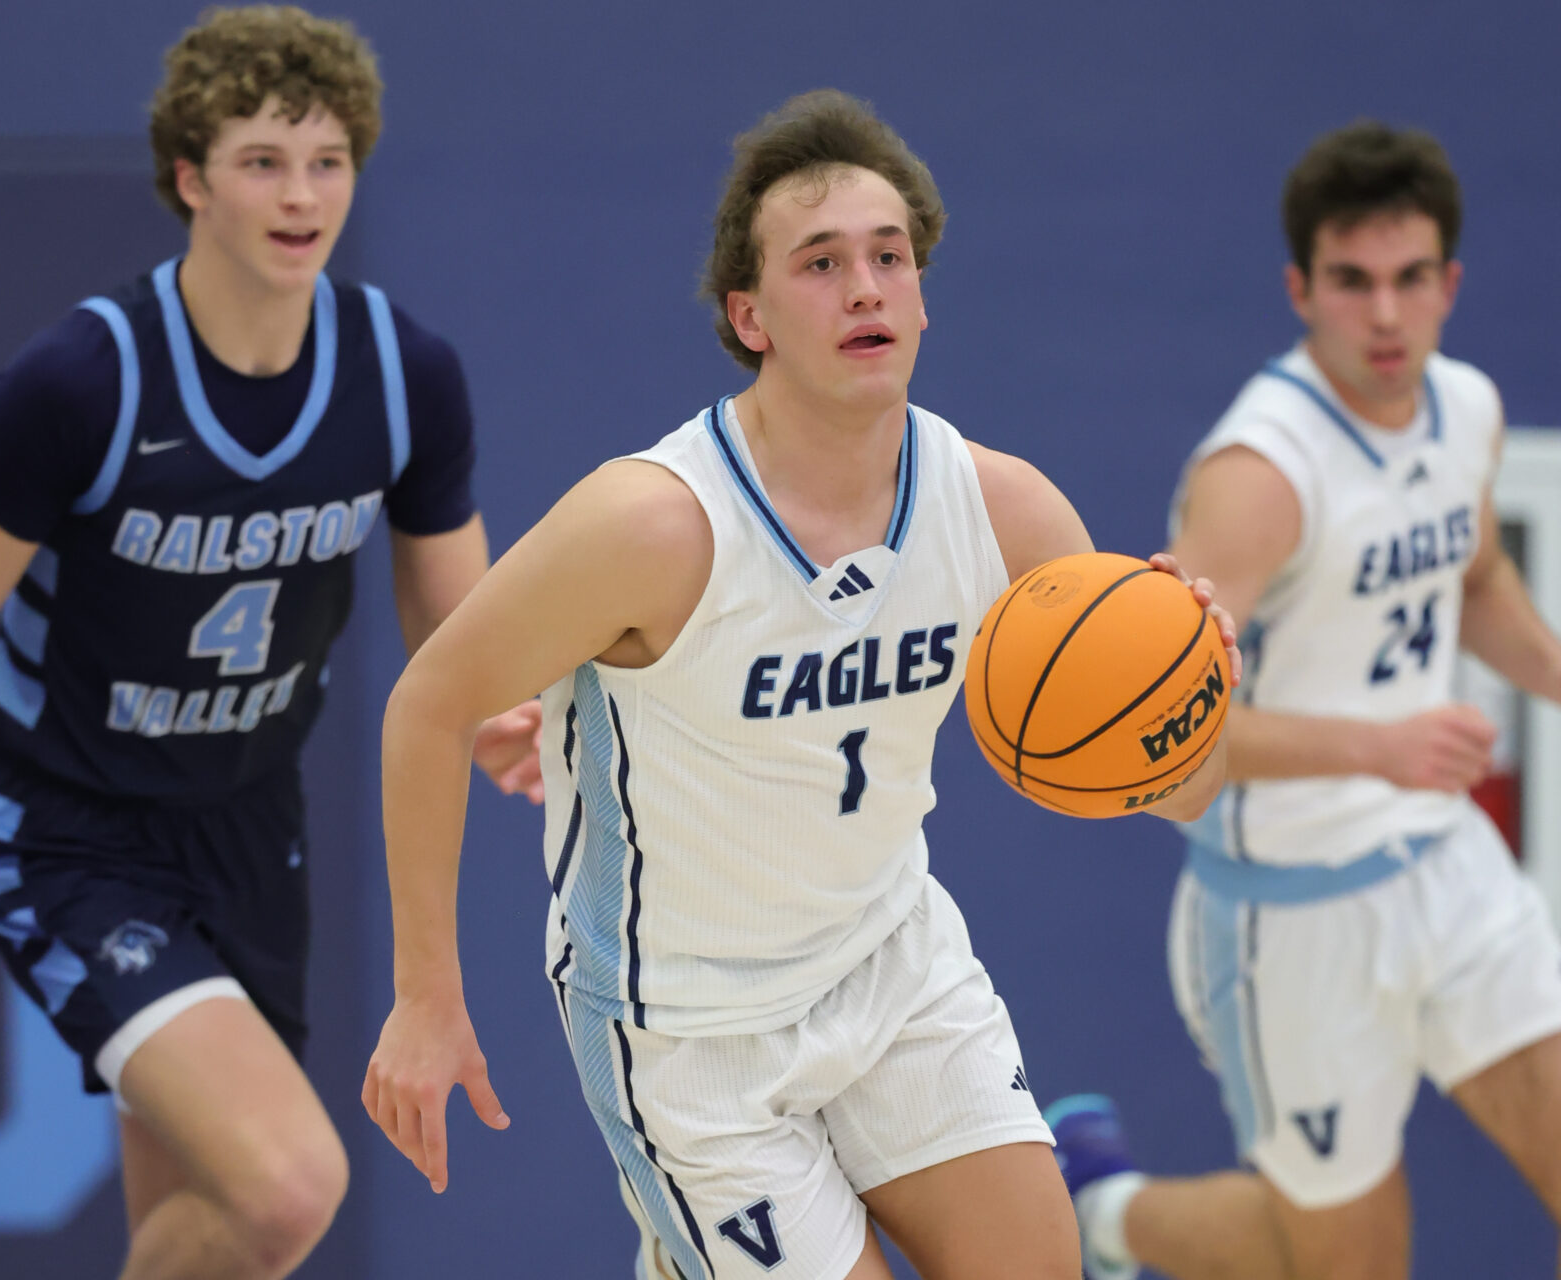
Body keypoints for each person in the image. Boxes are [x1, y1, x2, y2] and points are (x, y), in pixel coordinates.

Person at [362, 88, 1235, 1280]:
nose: (866, 287)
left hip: (894, 964)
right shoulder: (652, 523)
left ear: (923, 294)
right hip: (689, 1026)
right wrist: (424, 996)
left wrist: (1194, 698)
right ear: (749, 314)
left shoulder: (1006, 507)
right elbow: (427, 701)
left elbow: (1171, 793)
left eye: (889, 257)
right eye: (821, 263)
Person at [0, 8, 539, 1278]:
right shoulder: (81, 382)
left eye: (327, 161)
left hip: (246, 826)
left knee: (217, 1231)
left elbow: (457, 620)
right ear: (190, 180)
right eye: (263, 161)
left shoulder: (400, 375)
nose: (301, 194)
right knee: (290, 1186)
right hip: (66, 826)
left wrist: (504, 711)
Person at [1050, 121, 1561, 1280]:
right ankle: (1103, 1208)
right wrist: (1375, 746)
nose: (1384, 314)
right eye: (1351, 282)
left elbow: (1471, 577)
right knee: (1345, 1263)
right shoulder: (1261, 476)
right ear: (1300, 289)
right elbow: (1164, 732)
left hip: (1444, 865)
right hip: (1288, 917)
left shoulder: (1465, 408)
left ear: (1449, 284)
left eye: (1409, 278)